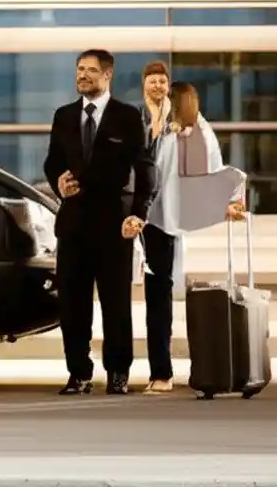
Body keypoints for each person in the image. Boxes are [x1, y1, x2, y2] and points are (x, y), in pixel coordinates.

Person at [44, 49, 158, 396]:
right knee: (73, 305)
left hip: (114, 224)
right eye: (80, 69)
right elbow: (52, 163)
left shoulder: (126, 117)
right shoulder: (63, 116)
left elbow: (145, 169)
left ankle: (118, 374)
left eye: (91, 70)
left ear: (107, 75)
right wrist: (58, 183)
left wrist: (139, 213)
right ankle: (78, 373)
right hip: (73, 224)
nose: (83, 75)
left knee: (116, 305)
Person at [142, 82, 248, 392]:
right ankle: (192, 370)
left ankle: (161, 373)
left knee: (158, 300)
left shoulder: (166, 135)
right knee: (166, 299)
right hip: (182, 224)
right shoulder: (203, 132)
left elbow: (151, 175)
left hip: (157, 223)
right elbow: (217, 174)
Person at [137, 61, 177, 394]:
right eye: (152, 81)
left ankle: (161, 372)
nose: (158, 86)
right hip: (134, 215)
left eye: (162, 81)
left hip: (165, 219)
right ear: (143, 85)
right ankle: (118, 370)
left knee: (159, 292)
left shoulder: (183, 122)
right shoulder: (135, 119)